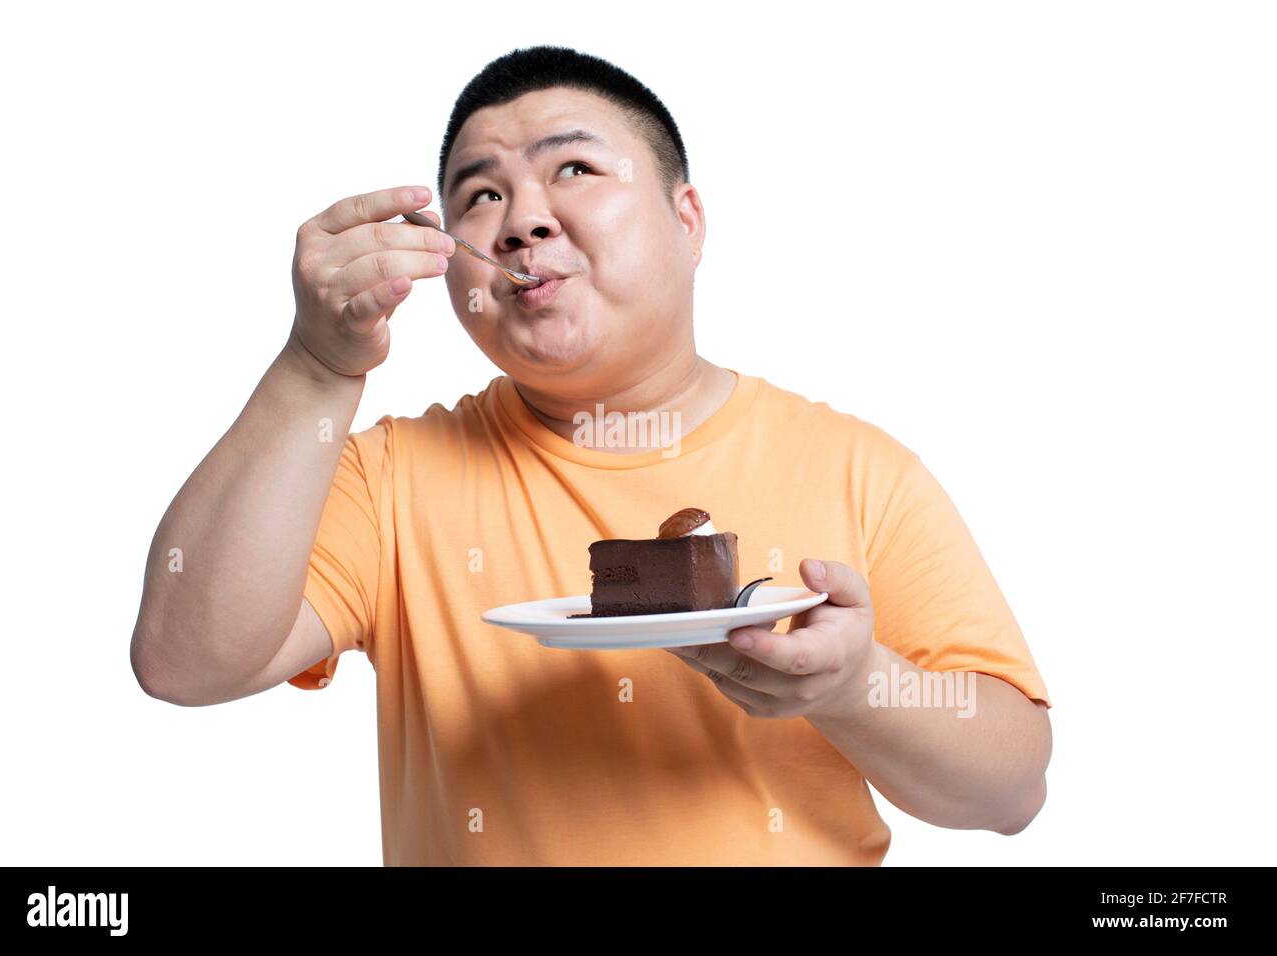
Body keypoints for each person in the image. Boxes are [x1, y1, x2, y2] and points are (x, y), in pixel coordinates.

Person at [130, 45, 1052, 866]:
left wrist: (855, 685)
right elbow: (183, 663)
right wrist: (317, 365)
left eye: (572, 167)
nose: (522, 218)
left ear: (688, 220)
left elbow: (1010, 791)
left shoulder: (862, 469)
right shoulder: (391, 478)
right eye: (480, 194)